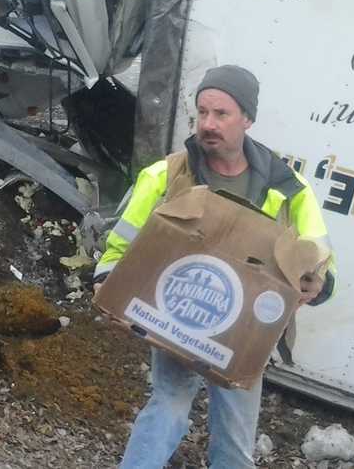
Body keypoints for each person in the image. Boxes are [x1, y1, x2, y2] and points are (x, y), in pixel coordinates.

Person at [93, 64, 336, 469]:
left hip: (246, 334)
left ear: (248, 119)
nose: (208, 123)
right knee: (168, 405)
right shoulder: (166, 175)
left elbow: (319, 255)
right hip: (176, 313)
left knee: (236, 441)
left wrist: (318, 282)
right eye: (202, 112)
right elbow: (121, 244)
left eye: (220, 114)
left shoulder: (287, 188)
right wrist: (107, 278)